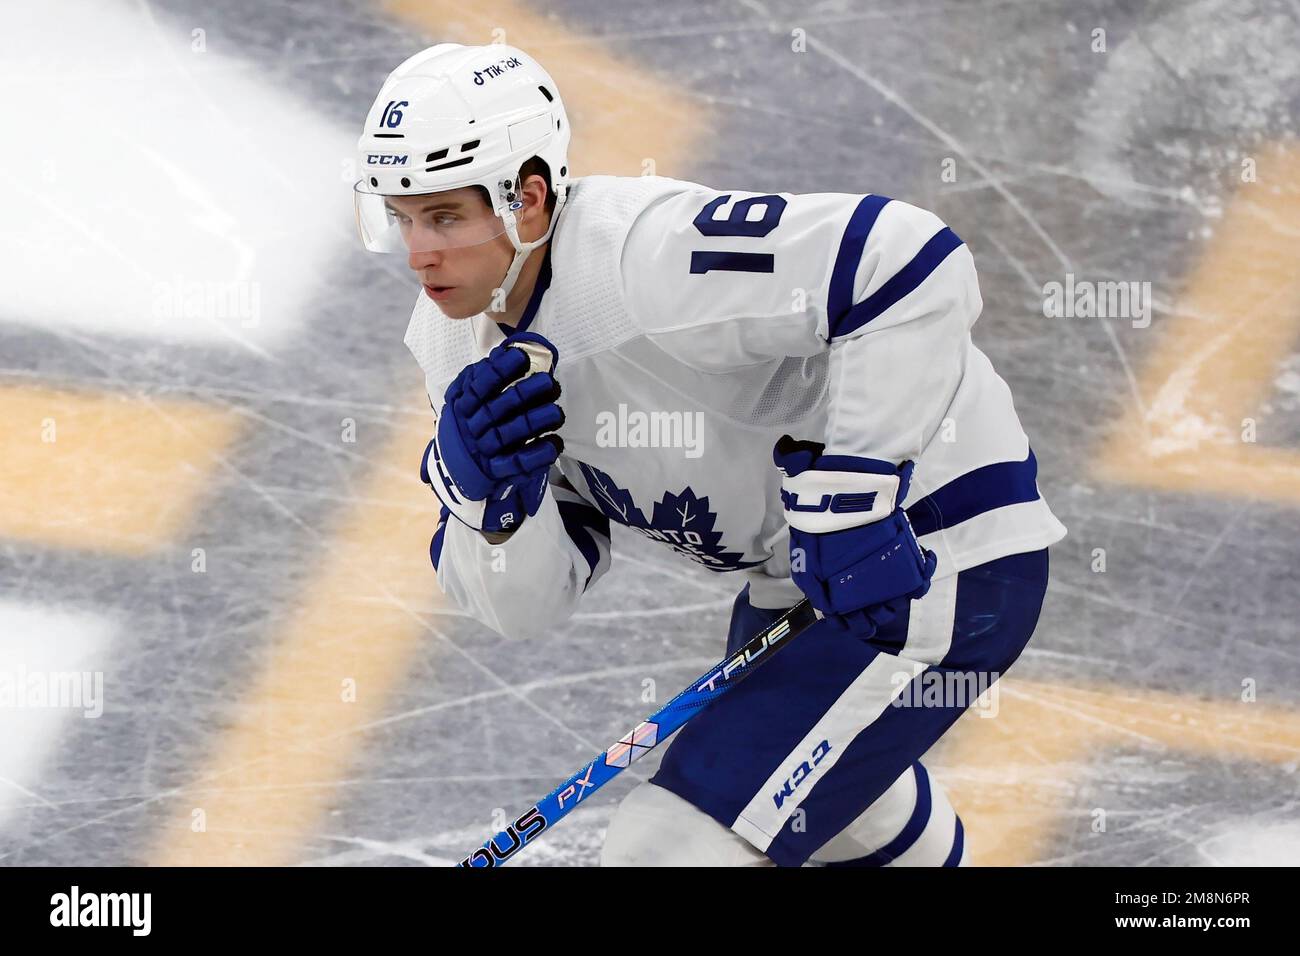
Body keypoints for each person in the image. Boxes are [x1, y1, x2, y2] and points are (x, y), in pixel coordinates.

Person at [354, 42, 1067, 866]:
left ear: (529, 199)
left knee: (666, 853)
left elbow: (909, 260)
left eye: (445, 216)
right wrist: (494, 508)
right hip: (798, 578)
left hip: (930, 550)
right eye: (401, 217)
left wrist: (858, 493)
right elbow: (528, 611)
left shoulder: (649, 257)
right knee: (844, 814)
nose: (419, 252)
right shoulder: (450, 348)